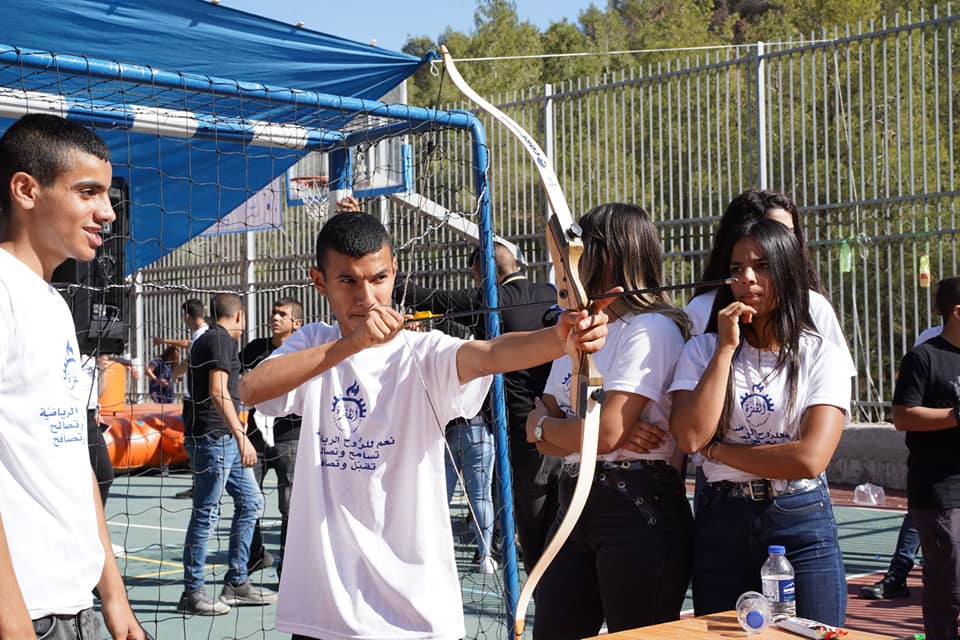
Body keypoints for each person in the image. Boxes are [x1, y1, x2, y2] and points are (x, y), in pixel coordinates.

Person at [238, 211, 612, 640]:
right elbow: (252, 389)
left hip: (415, 615)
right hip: (325, 613)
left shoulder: (424, 351)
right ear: (319, 281)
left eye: (378, 279)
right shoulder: (314, 344)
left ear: (394, 272)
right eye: (348, 282)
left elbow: (487, 354)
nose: (366, 296)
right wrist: (352, 344)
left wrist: (558, 339)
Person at [0, 113, 144, 639]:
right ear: (25, 190)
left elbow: (72, 460)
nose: (107, 212)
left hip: (70, 607)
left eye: (107, 195)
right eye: (88, 192)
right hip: (25, 616)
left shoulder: (57, 305)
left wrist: (113, 595)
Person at [669, 217, 851, 626]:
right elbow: (689, 435)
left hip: (800, 518)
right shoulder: (703, 350)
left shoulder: (821, 354)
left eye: (763, 266)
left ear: (788, 270)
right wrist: (725, 350)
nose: (747, 279)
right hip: (722, 521)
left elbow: (809, 458)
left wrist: (718, 450)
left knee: (815, 634)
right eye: (736, 269)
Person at [524, 203, 693, 638]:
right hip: (574, 500)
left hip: (635, 506)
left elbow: (603, 431)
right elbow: (541, 411)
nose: (568, 267)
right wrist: (575, 429)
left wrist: (569, 429)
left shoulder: (651, 327)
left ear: (611, 257)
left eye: (581, 253)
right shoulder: (585, 327)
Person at [397, 240, 563, 574]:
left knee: (528, 520)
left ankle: (538, 580)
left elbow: (425, 296)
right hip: (560, 421)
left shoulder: (491, 301)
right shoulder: (549, 293)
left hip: (519, 430)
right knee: (559, 516)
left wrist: (388, 268)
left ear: (480, 273)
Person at [178, 293, 275, 615]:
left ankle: (237, 582)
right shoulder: (219, 341)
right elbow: (219, 390)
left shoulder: (212, 340)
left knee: (252, 502)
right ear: (238, 317)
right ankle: (192, 592)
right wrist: (241, 435)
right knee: (206, 513)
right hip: (214, 438)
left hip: (223, 439)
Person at [892, 276, 960, 640]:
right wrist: (955, 416)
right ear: (957, 312)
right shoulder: (924, 357)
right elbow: (902, 416)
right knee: (948, 585)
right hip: (940, 491)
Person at [859, 324, 938, 600]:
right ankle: (898, 576)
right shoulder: (929, 342)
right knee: (917, 515)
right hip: (937, 454)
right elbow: (909, 406)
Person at [240, 297, 304, 575]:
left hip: (290, 437)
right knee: (248, 500)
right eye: (273, 313)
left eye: (282, 314)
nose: (275, 317)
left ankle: (287, 571)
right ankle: (255, 556)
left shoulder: (303, 350)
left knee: (289, 507)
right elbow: (237, 383)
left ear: (296, 323)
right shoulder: (255, 349)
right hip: (256, 439)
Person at [156, 298, 208, 499]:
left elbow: (189, 359)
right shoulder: (201, 334)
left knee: (194, 443)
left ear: (186, 316)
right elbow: (189, 348)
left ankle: (200, 485)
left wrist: (174, 373)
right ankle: (200, 483)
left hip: (196, 400)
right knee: (194, 442)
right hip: (194, 398)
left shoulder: (203, 335)